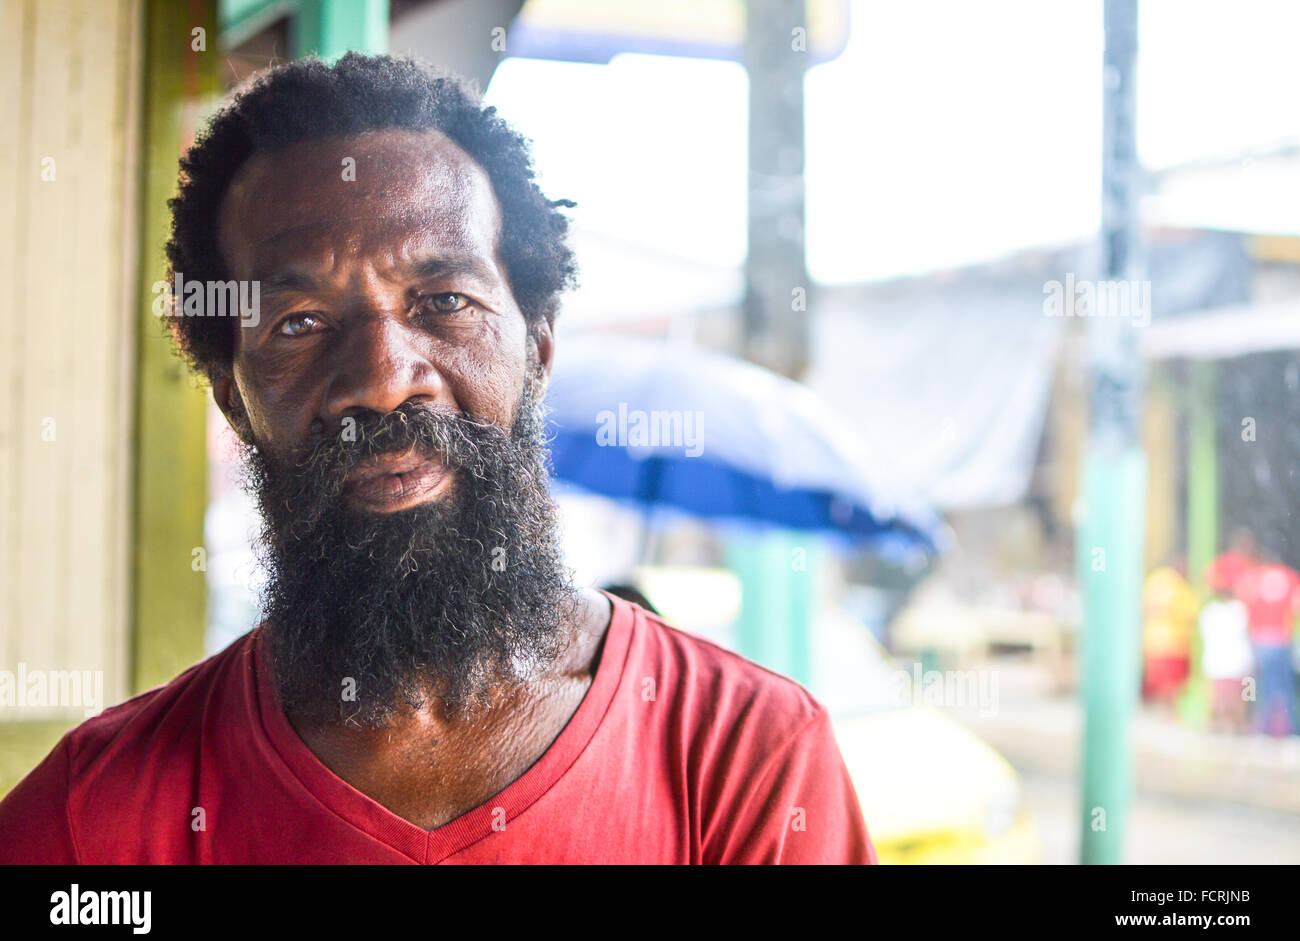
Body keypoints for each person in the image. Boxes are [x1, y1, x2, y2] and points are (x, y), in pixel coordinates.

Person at [0, 55, 875, 864]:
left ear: (538, 342)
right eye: (298, 323)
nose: (383, 381)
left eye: (445, 300)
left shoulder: (748, 761)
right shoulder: (97, 820)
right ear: (232, 396)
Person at [1232, 554, 1300, 736]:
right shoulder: (1291, 577)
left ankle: (1258, 728)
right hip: (1281, 639)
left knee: (1254, 685)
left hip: (1259, 639)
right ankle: (1290, 729)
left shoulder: (1254, 577)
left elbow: (1242, 601)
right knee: (1284, 686)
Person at [1141, 564, 1198, 708]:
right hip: (1174, 643)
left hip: (1156, 643)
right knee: (1171, 684)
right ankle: (1168, 710)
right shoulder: (1179, 588)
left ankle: (1163, 709)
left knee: (1162, 682)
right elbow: (1191, 616)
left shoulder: (1153, 584)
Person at [1199, 586, 1253, 733]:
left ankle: (1215, 725)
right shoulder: (1239, 609)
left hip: (1216, 661)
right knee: (1243, 696)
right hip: (1240, 660)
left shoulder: (1209, 611)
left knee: (1217, 696)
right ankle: (1238, 725)